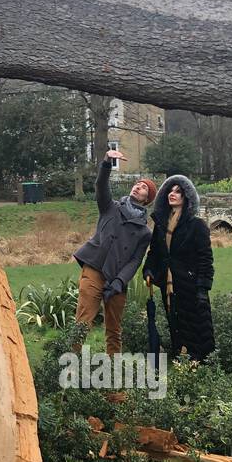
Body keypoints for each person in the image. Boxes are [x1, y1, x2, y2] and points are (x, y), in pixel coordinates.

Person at [72, 149, 157, 355]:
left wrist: (119, 282)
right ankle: (71, 373)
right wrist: (107, 162)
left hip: (117, 281)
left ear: (148, 199)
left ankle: (113, 379)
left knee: (114, 331)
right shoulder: (110, 207)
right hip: (94, 270)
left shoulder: (145, 231)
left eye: (144, 187)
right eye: (138, 184)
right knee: (83, 323)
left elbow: (135, 261)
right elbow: (100, 186)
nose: (138, 187)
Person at [143, 174, 215, 362]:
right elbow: (154, 252)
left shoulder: (196, 225)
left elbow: (205, 259)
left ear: (187, 198)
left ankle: (202, 363)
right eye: (170, 191)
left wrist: (202, 287)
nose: (172, 194)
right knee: (174, 320)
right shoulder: (161, 225)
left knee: (197, 324)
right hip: (168, 284)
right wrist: (149, 270)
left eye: (178, 192)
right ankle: (180, 358)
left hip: (190, 284)